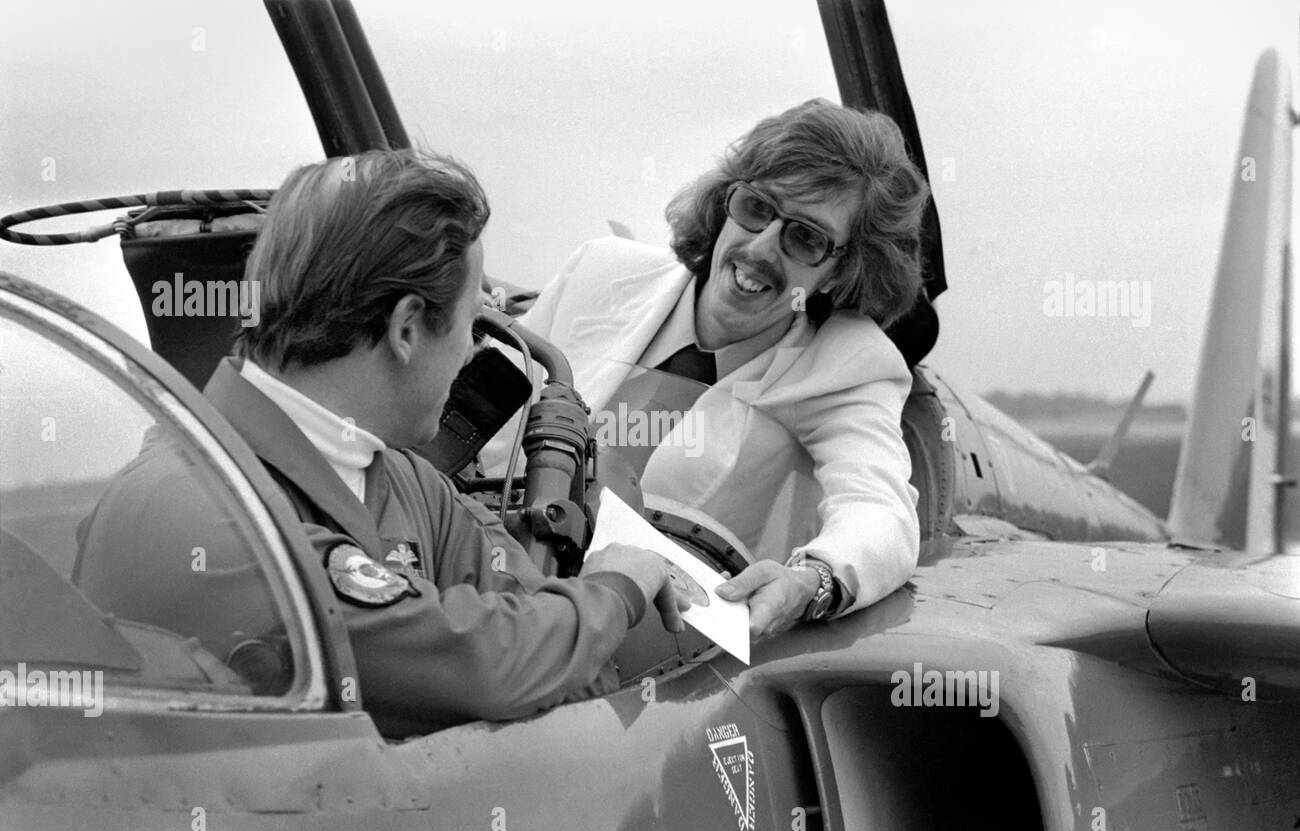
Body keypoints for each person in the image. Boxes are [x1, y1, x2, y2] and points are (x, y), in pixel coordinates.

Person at [74, 149, 688, 737]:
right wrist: (618, 585)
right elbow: (493, 670)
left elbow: (558, 667)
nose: (475, 351)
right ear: (406, 328)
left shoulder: (400, 479)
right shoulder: (193, 511)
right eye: (473, 324)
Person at [501, 99, 928, 638]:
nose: (761, 247)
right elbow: (471, 426)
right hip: (493, 588)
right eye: (756, 207)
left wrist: (811, 581)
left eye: (806, 237)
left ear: (845, 266)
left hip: (645, 639)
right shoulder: (598, 271)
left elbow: (880, 512)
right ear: (726, 200)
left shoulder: (848, 365)